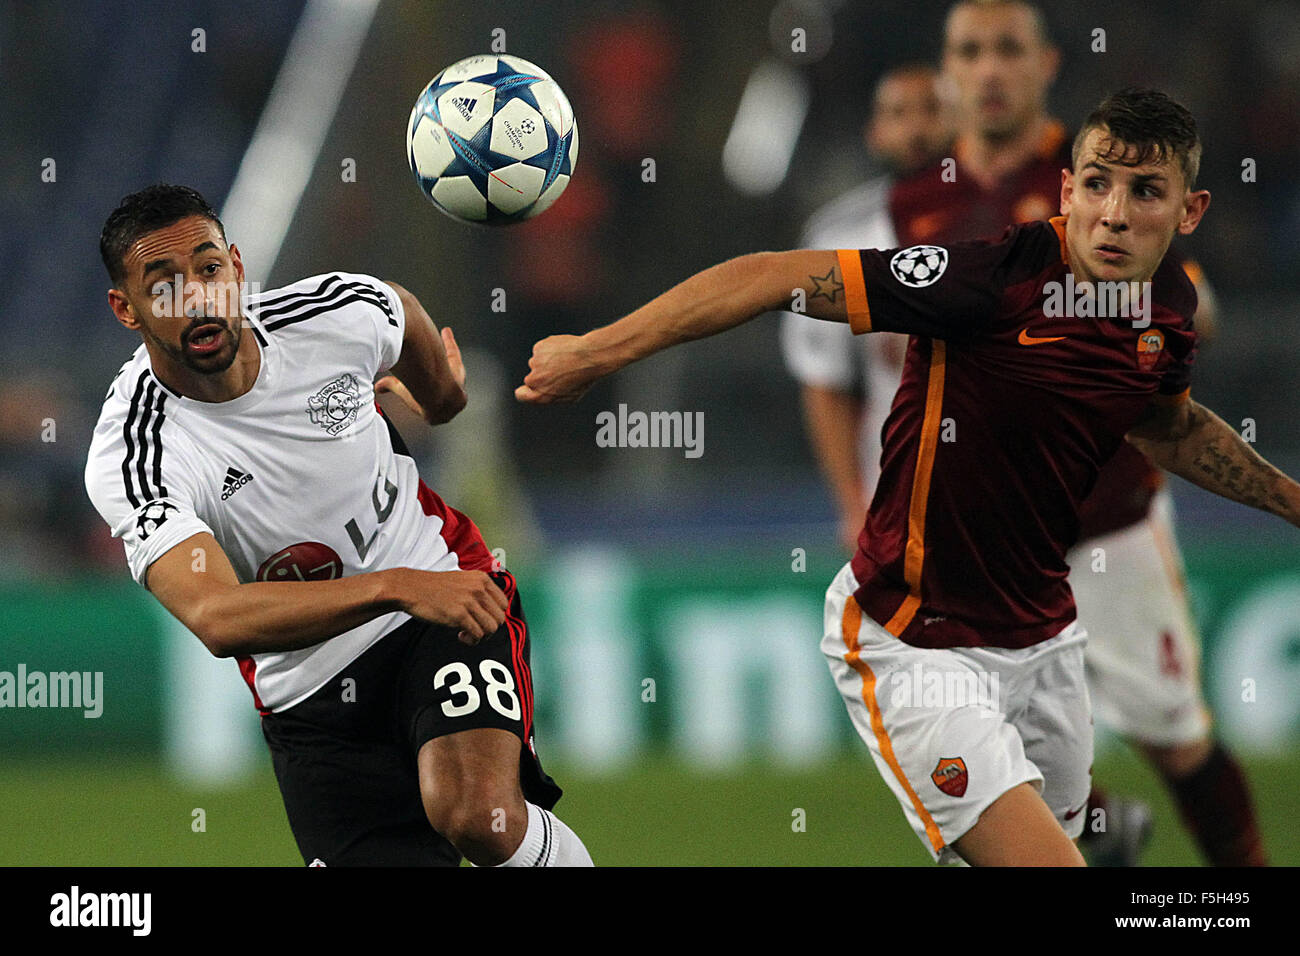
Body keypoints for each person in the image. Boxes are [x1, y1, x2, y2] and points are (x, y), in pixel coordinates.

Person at [516, 88, 1300, 866]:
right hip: (914, 643)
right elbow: (767, 275)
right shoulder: (989, 280)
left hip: (1045, 641)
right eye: (1097, 183)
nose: (1116, 212)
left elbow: (1168, 424)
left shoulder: (1165, 308)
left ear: (1189, 212)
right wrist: (599, 351)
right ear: (1067, 189)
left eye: (1146, 191)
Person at [790, 0, 1265, 866]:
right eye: (971, 51)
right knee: (987, 746)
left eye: (1009, 49)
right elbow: (829, 368)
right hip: (971, 536)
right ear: (947, 72)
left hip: (1105, 523)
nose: (991, 69)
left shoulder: (1102, 166)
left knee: (1176, 734)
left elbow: (1180, 319)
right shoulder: (910, 202)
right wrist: (855, 501)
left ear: (1047, 65)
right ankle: (1093, 833)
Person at [84, 184, 592, 867]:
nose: (197, 297)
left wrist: (442, 398)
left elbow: (400, 311)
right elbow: (218, 615)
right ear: (126, 309)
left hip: (442, 600)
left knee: (480, 816)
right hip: (311, 696)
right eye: (163, 284)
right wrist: (391, 586)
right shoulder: (136, 453)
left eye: (208, 269)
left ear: (237, 268)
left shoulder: (331, 315)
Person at [781, 63, 951, 552]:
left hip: (1009, 493)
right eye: (900, 113)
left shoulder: (1009, 222)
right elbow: (824, 383)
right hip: (896, 498)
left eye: (932, 109)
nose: (918, 127)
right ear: (875, 134)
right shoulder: (840, 236)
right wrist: (852, 505)